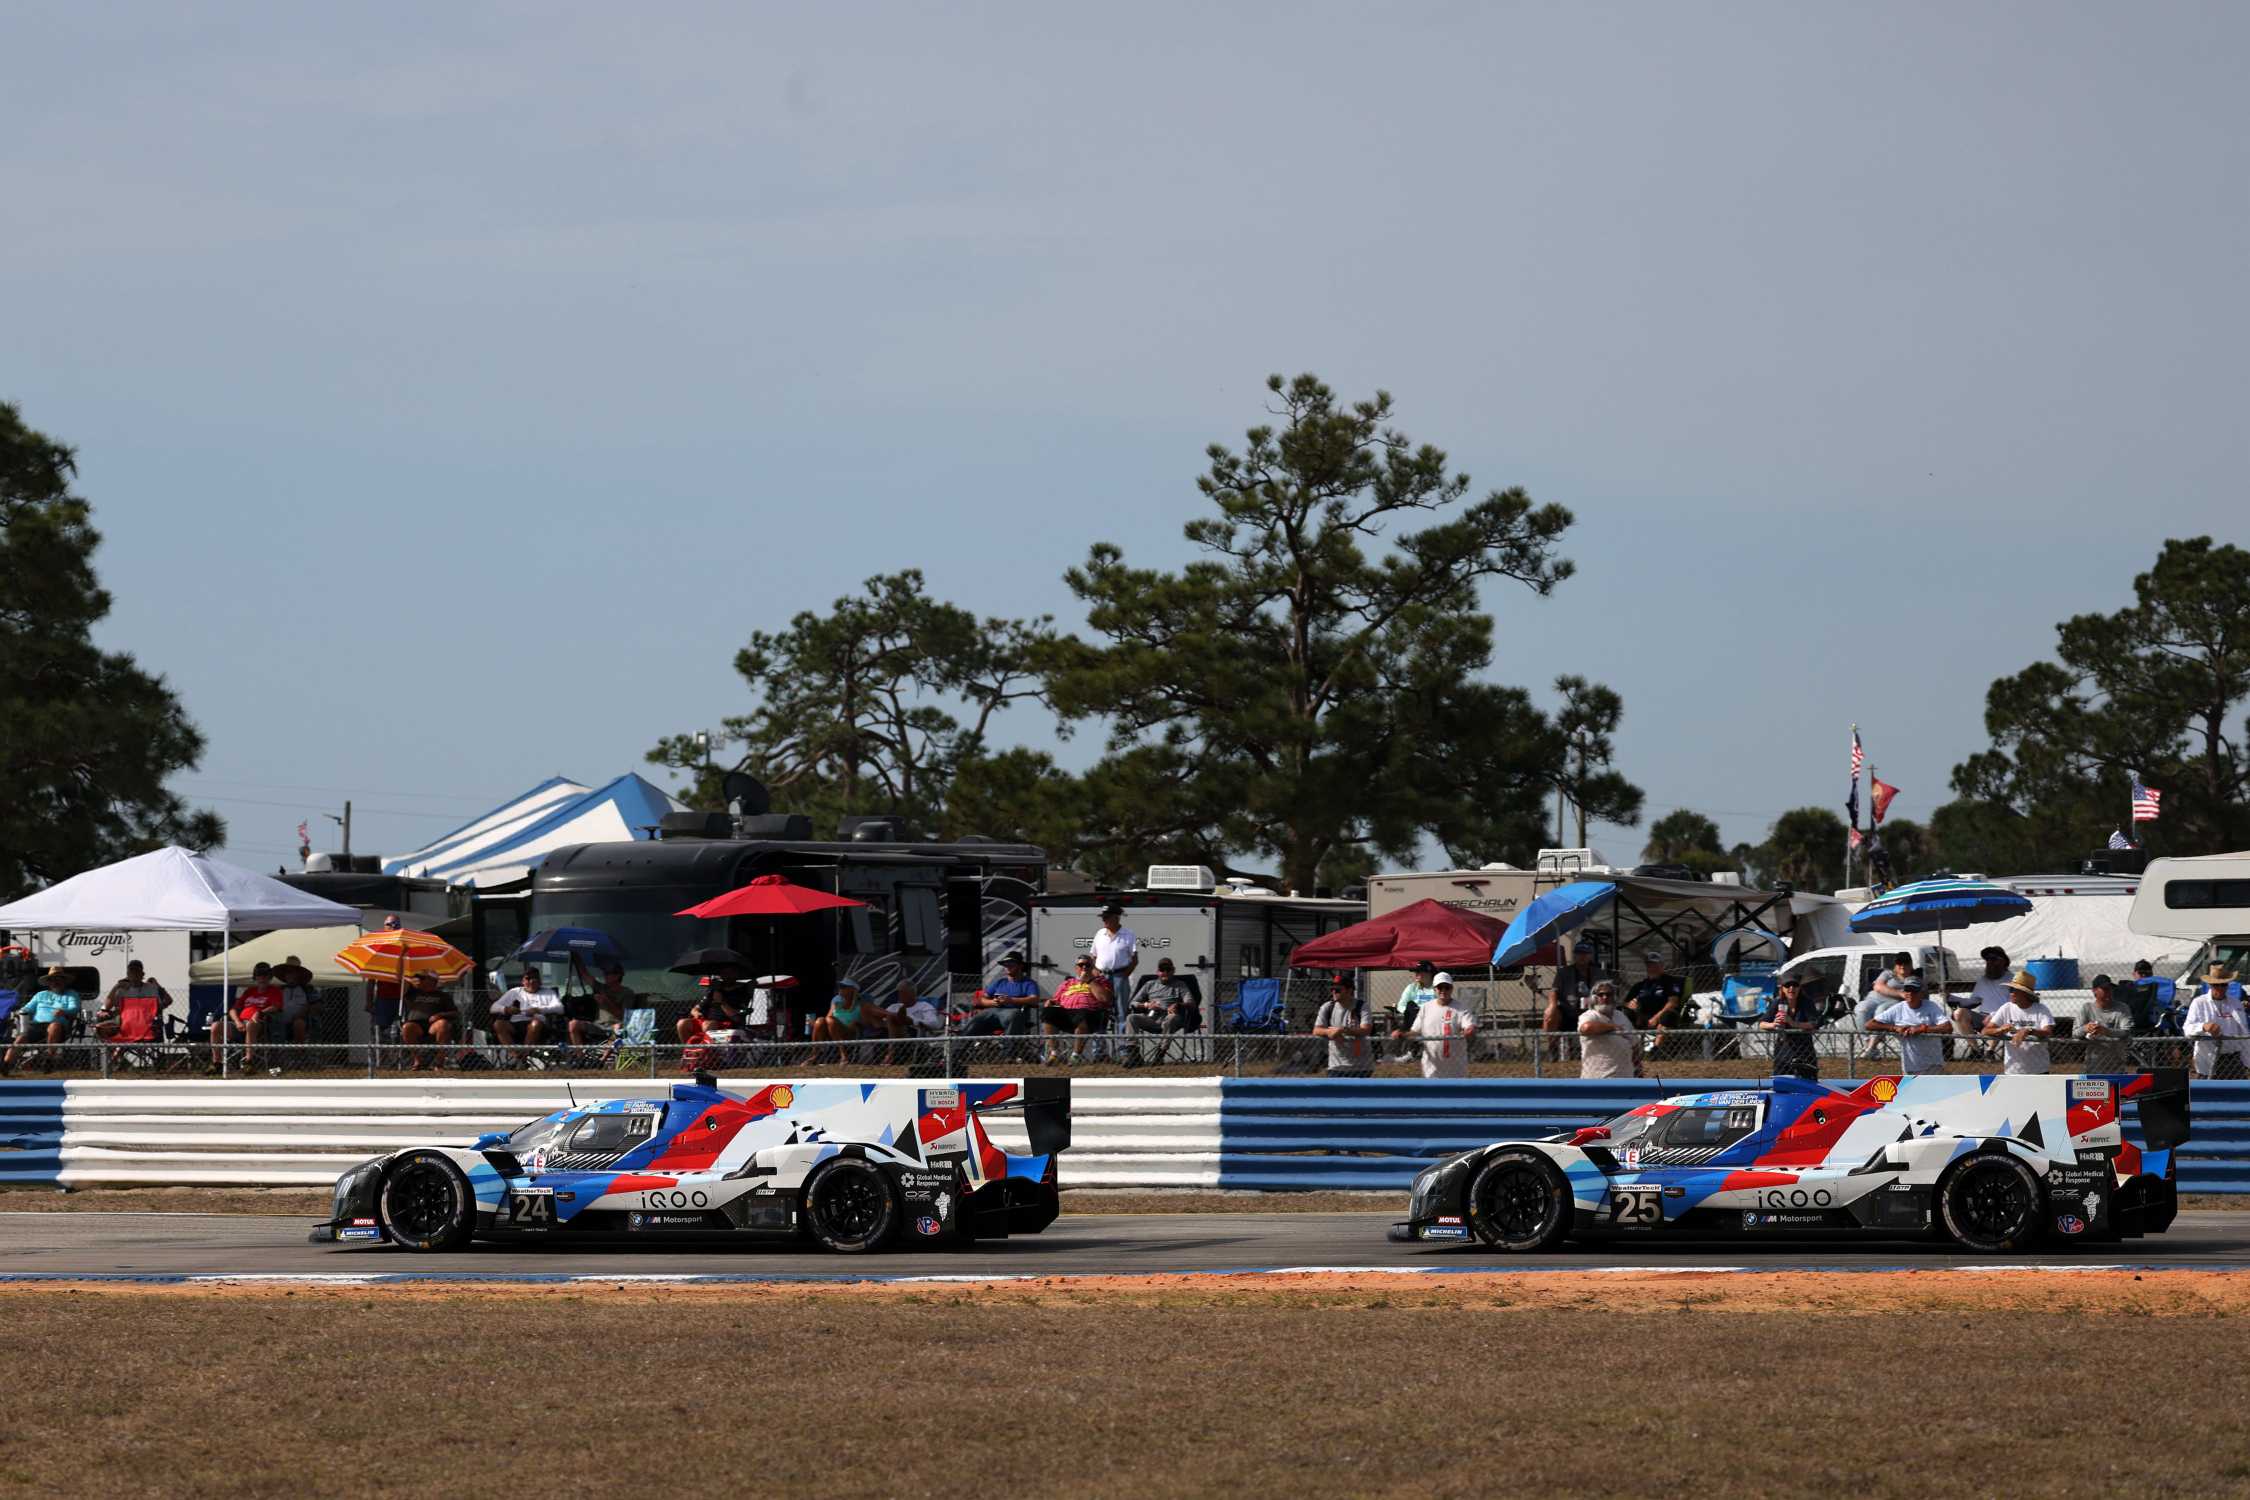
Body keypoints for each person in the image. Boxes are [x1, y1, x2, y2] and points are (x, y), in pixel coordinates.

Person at [1394, 971, 1476, 1079]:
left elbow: (1469, 1026)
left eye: (1447, 987)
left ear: (1452, 989)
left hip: (1456, 1068)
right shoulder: (1425, 1008)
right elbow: (1415, 1031)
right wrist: (1403, 1034)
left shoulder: (1461, 1008)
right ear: (1434, 989)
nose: (1443, 990)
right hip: (1431, 1068)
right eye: (1440, 987)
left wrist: (1469, 1031)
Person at [1868, 975, 1951, 1075]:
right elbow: (1870, 1024)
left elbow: (1947, 1027)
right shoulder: (1899, 1008)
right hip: (1909, 1067)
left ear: (1921, 993)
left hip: (1933, 1066)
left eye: (1914, 990)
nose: (1910, 993)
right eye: (1907, 990)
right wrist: (1894, 1028)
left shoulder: (1931, 1006)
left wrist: (1923, 1029)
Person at [3, 967, 81, 1073]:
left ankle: (48, 1060)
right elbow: (28, 1008)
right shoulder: (41, 995)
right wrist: (19, 1012)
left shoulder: (71, 994)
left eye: (59, 979)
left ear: (64, 981)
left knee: (54, 1026)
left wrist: (64, 1011)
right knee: (21, 1037)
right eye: (52, 979)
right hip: (37, 1026)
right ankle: (6, 1065)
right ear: (48, 982)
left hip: (59, 1028)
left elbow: (74, 1008)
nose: (56, 982)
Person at [1982, 971, 2055, 1075]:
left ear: (2025, 993)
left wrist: (2028, 1030)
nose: (2011, 993)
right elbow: (1985, 1031)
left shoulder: (2041, 1009)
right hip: (2012, 1071)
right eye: (2010, 989)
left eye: (2014, 990)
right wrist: (2000, 1029)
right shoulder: (2006, 1008)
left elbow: (2047, 1031)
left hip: (2039, 1071)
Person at [2184, 964, 2250, 1081]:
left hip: (2233, 1058)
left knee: (2238, 1095)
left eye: (2223, 984)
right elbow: (2187, 1029)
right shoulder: (2199, 1002)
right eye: (2216, 985)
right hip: (2208, 1058)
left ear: (2228, 985)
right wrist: (2203, 1027)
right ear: (2210, 985)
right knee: (2207, 1096)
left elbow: (2243, 1030)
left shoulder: (2236, 1003)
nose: (2220, 988)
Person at [1043, 956, 1113, 1064]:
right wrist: (1051, 1002)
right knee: (1049, 1012)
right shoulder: (1068, 983)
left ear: (1092, 967)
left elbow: (1105, 999)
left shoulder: (1101, 981)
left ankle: (1076, 1056)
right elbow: (1055, 1000)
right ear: (1076, 968)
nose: (1084, 967)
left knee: (1082, 1014)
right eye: (1081, 965)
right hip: (1067, 1014)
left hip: (1091, 1015)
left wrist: (1089, 980)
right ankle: (1055, 1053)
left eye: (1087, 965)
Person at [491, 966, 564, 1065]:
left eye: (535, 978)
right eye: (528, 978)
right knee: (498, 1024)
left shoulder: (548, 992)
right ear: (523, 981)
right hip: (516, 1025)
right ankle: (516, 1056)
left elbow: (560, 1008)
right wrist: (506, 1009)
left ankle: (523, 1057)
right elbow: (493, 1008)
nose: (532, 981)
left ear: (540, 981)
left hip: (538, 1027)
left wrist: (539, 1010)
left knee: (535, 1023)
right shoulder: (515, 992)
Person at [222, 962, 286, 1071]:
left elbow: (276, 1006)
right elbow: (233, 1010)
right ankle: (217, 1063)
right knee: (215, 1027)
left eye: (265, 975)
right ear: (255, 977)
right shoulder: (249, 991)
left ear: (270, 977)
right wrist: (237, 1022)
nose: (262, 978)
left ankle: (248, 1061)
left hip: (259, 1024)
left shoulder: (274, 991)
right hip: (240, 1024)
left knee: (251, 1024)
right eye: (259, 975)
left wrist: (260, 1012)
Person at [1089, 905, 1140, 1042]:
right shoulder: (1100, 934)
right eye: (1103, 918)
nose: (1104, 920)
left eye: (1106, 917)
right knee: (1099, 1012)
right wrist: (1095, 973)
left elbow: (1134, 960)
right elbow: (1093, 956)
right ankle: (1099, 1051)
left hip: (1119, 976)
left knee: (1121, 1013)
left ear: (1116, 917)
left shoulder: (1128, 934)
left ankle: (1123, 1048)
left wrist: (1124, 975)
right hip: (1101, 977)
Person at [1759, 973, 1823, 1080]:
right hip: (1783, 1052)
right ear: (1782, 988)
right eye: (1787, 985)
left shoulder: (1806, 1002)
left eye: (1795, 985)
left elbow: (1815, 1023)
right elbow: (1762, 1023)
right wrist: (1774, 1024)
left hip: (1804, 1052)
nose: (1791, 988)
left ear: (1799, 988)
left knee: (1807, 1085)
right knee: (1781, 1083)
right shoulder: (1778, 1002)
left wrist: (1793, 1023)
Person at [1544, 947, 1602, 1064]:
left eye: (1585, 954)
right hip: (1568, 1010)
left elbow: (1605, 992)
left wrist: (1594, 1001)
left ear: (1590, 956)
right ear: (1574, 956)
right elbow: (1554, 991)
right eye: (1579, 954)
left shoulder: (1599, 973)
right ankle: (1552, 1050)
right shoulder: (1563, 972)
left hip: (1591, 1011)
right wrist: (1552, 1006)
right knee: (1551, 1015)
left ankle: (1598, 1051)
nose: (1582, 957)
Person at [963, 954, 1042, 1039]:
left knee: (1014, 1015)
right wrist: (992, 1002)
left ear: (1020, 966)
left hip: (1013, 1012)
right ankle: (958, 1049)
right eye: (1005, 965)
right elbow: (981, 999)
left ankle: (1010, 1051)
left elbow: (1034, 999)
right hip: (992, 1011)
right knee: (974, 1021)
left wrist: (1011, 1000)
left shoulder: (1029, 983)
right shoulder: (999, 982)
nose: (1007, 967)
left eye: (1011, 964)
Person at [92, 959, 171, 1042]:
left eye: (137, 971)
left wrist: (157, 986)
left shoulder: (151, 988)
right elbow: (106, 1007)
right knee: (100, 1026)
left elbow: (168, 1000)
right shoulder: (122, 989)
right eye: (131, 971)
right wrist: (117, 986)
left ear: (142, 974)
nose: (134, 974)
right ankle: (117, 1051)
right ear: (127, 974)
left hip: (144, 1028)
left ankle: (118, 1050)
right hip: (127, 1027)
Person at [1312, 973, 1375, 1077]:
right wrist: (1329, 1032)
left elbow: (1366, 1030)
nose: (1333, 992)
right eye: (1332, 989)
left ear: (1349, 990)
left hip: (1361, 1066)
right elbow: (1316, 1030)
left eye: (1337, 990)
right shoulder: (1327, 1007)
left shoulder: (1361, 1006)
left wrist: (1342, 1030)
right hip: (1336, 1065)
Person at [398, 971, 462, 1071]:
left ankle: (439, 1062)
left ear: (433, 981)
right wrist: (403, 964)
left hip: (434, 1025)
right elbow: (401, 980)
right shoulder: (413, 992)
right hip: (416, 1025)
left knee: (443, 1024)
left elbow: (455, 1013)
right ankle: (418, 1061)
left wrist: (440, 1015)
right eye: (421, 979)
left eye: (424, 979)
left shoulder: (443, 996)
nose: (420, 981)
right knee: (407, 1027)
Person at [1126, 959, 1203, 1041]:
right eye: (1162, 970)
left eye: (1168, 970)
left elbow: (1191, 1003)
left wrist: (1178, 1005)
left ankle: (1162, 1049)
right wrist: (1146, 1005)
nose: (1165, 972)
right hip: (1152, 1018)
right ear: (1157, 972)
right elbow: (1132, 1003)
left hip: (1171, 1017)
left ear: (1173, 971)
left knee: (1171, 1018)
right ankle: (1132, 1048)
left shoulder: (1180, 985)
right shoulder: (1149, 984)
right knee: (1131, 1017)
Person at [1576, 980, 1636, 1080]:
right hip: (1597, 1079)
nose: (1605, 997)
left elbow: (1634, 1042)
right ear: (1594, 998)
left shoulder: (1620, 1015)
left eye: (1609, 994)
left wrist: (1638, 1067)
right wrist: (1613, 1027)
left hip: (1625, 1077)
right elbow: (1586, 1028)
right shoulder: (1590, 1015)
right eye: (1601, 994)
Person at [2077, 975, 2137, 1074]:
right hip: (2093, 1066)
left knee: (2116, 1089)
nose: (2109, 992)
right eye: (2105, 989)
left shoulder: (2122, 1008)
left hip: (2117, 1065)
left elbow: (2126, 1031)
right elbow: (2075, 1033)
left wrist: (2105, 1031)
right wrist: (2086, 1028)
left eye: (2110, 989)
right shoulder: (2087, 1008)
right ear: (2094, 991)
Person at [568, 964, 635, 1047]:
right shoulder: (601, 988)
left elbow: (624, 1016)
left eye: (608, 974)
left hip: (614, 1026)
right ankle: (580, 1058)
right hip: (598, 1025)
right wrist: (576, 954)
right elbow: (584, 975)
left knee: (618, 1027)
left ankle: (603, 1058)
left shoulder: (627, 993)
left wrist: (606, 1002)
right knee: (573, 1024)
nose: (605, 976)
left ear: (618, 976)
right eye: (605, 973)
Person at [1391, 960, 1440, 1062]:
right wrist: (1416, 1012)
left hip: (1433, 1016)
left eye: (1419, 972)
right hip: (1414, 1016)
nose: (1416, 974)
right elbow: (1401, 1005)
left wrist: (1423, 1011)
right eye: (1416, 972)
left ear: (1429, 973)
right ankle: (1413, 1049)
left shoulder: (1437, 988)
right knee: (1410, 1005)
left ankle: (1412, 1051)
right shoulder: (1412, 987)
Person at [1625, 950, 1684, 1031]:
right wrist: (1631, 1005)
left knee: (1668, 1016)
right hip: (1641, 1017)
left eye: (1656, 965)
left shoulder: (1671, 982)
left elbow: (1673, 1003)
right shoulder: (1640, 985)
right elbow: (1625, 1002)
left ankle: (1656, 1044)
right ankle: (1631, 1041)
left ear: (1662, 966)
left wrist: (1656, 1017)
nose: (1652, 968)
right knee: (1624, 1012)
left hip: (1661, 1016)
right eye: (1649, 965)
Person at [809, 977, 867, 1057]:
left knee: (830, 1020)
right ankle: (814, 1055)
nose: (840, 988)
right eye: (840, 986)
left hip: (850, 1033)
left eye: (843, 986)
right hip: (832, 1031)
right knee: (820, 1020)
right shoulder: (836, 1002)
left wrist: (857, 1023)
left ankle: (843, 1055)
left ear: (852, 989)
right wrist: (815, 1023)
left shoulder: (862, 1004)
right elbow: (827, 1018)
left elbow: (866, 1022)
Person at [273, 958, 316, 1048]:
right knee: (271, 1023)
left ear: (298, 974)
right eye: (287, 972)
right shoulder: (279, 989)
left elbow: (317, 1005)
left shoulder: (308, 989)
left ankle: (299, 1054)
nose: (290, 975)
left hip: (303, 1021)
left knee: (299, 1023)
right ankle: (275, 1055)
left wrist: (304, 1011)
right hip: (280, 1021)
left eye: (293, 972)